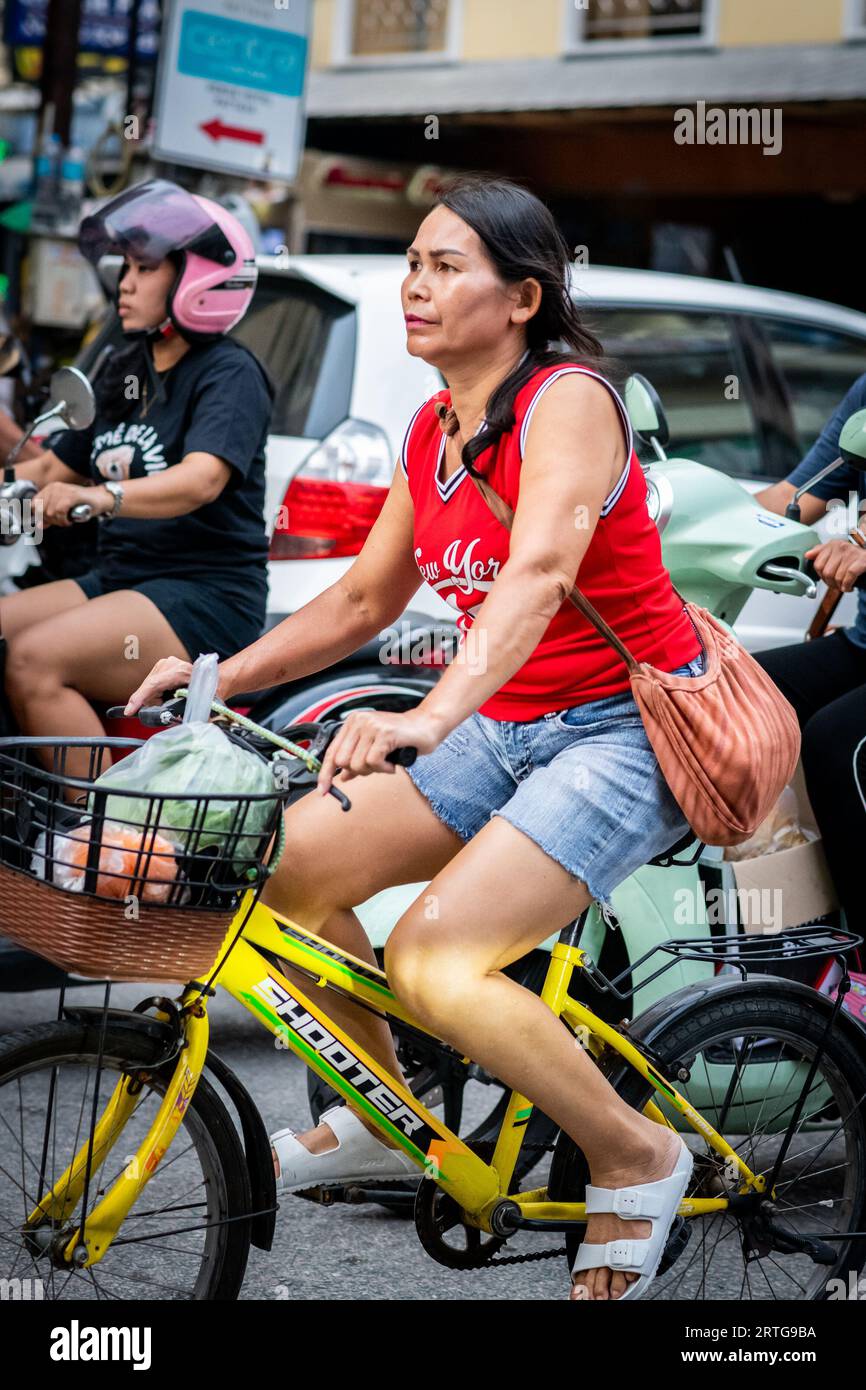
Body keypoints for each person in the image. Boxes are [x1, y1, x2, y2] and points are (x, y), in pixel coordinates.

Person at [126, 176, 707, 1302]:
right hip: (506, 722)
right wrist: (214, 674)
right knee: (278, 872)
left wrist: (424, 719)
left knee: (435, 956)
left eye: (447, 266)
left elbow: (537, 575)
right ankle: (374, 1112)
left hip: (623, 730)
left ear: (523, 296)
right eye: (412, 263)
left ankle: (634, 1154)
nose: (416, 284)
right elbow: (359, 602)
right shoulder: (433, 426)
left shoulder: (568, 403)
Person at [0, 179, 273, 776]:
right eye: (125, 265)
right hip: (121, 579)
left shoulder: (229, 374)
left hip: (203, 594)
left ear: (198, 277)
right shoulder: (125, 368)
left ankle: (99, 842)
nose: (124, 281)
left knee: (33, 659)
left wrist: (100, 498)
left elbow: (201, 479)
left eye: (144, 267)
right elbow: (50, 466)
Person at [753, 372, 866, 932]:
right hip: (861, 645)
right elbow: (797, 500)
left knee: (834, 739)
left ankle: (859, 961)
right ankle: (778, 930)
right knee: (733, 693)